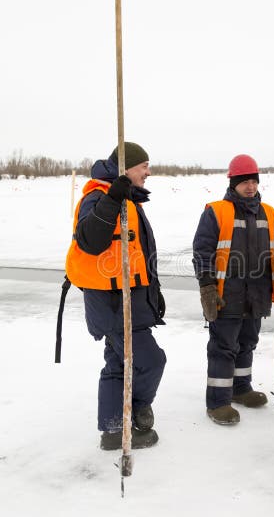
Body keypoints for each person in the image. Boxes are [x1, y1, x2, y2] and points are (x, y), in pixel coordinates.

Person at [65, 142, 166, 450]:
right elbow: (91, 241)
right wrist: (112, 198)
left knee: (118, 364)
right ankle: (135, 409)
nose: (148, 172)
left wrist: (154, 295)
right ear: (126, 169)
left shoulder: (130, 201)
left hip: (131, 300)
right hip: (112, 304)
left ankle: (112, 430)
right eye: (143, 166)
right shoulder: (98, 197)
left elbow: (137, 255)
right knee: (151, 361)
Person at [192, 154, 274, 425]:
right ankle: (218, 402)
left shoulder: (270, 213)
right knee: (224, 347)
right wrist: (207, 287)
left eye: (254, 181)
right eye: (244, 182)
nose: (250, 187)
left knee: (247, 343)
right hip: (226, 293)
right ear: (233, 183)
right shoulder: (216, 211)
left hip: (257, 292)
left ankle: (240, 388)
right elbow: (203, 251)